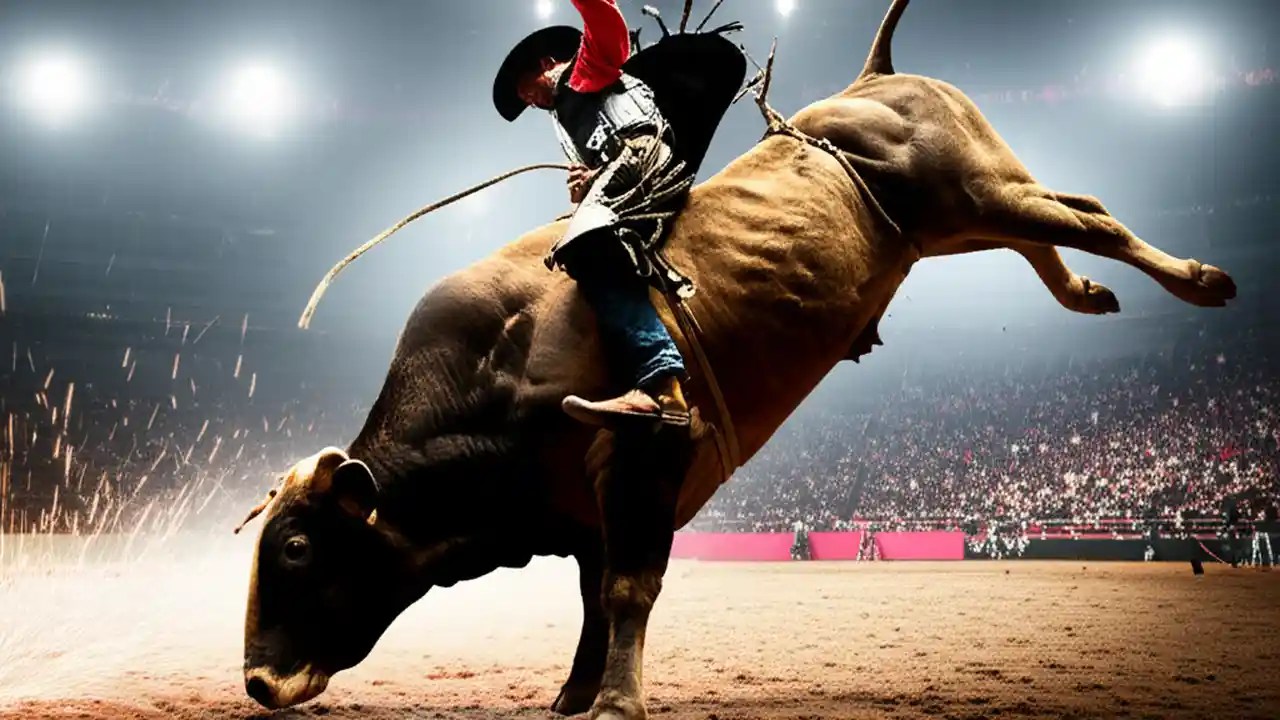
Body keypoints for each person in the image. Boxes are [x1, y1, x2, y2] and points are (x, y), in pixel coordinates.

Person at [492, 0, 691, 429]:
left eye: (526, 89)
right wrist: (590, 181)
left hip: (642, 159)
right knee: (580, 244)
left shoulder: (586, 68)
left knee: (581, 242)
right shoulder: (569, 113)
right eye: (524, 100)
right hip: (624, 172)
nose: (528, 101)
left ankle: (658, 375)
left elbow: (605, 21)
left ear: (547, 63)